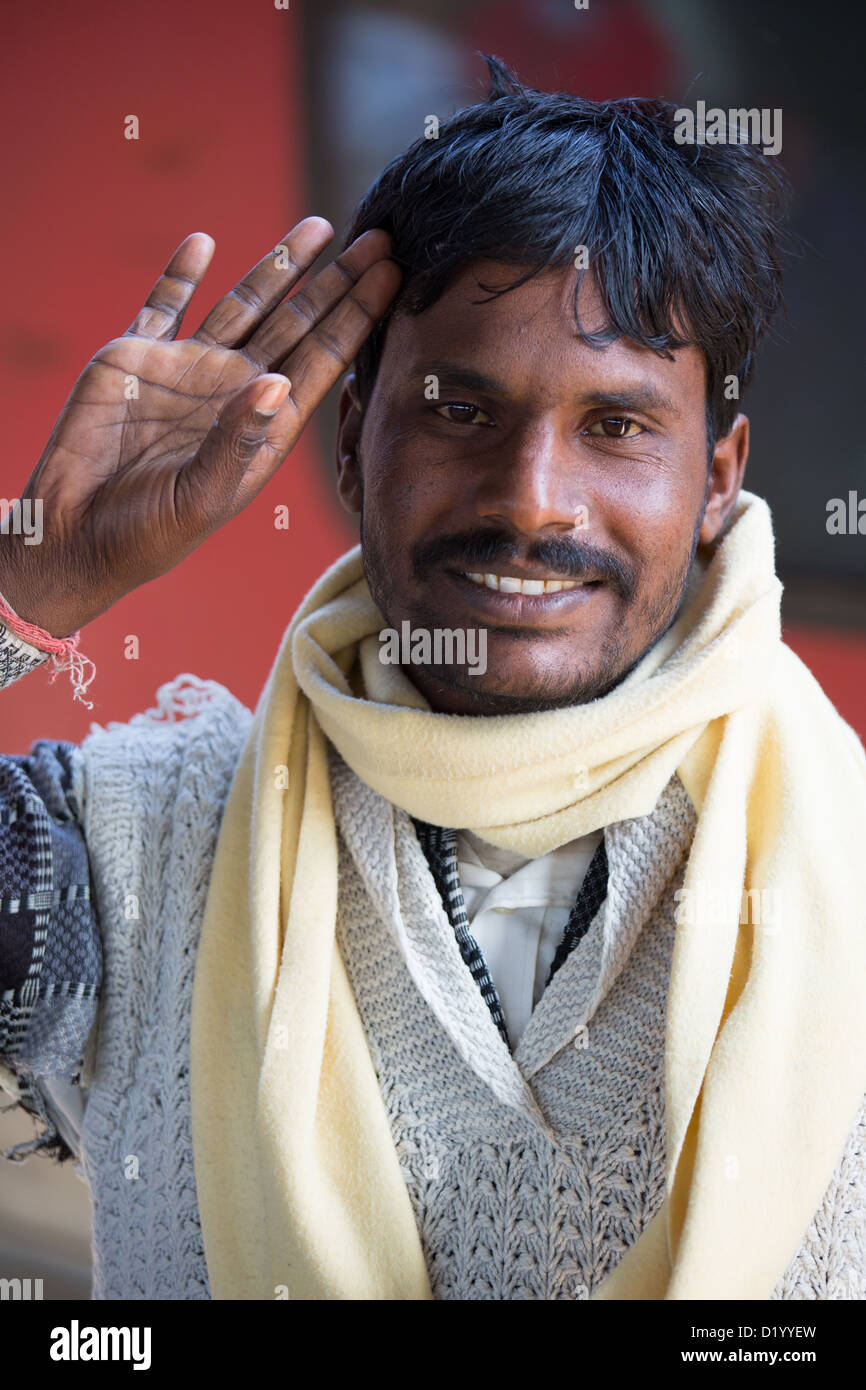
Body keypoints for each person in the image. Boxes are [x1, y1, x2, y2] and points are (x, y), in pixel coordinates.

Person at [1, 56, 864, 1302]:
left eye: (615, 427)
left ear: (719, 475)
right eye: (461, 409)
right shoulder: (140, 846)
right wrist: (33, 589)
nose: (530, 499)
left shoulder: (841, 862)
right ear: (350, 439)